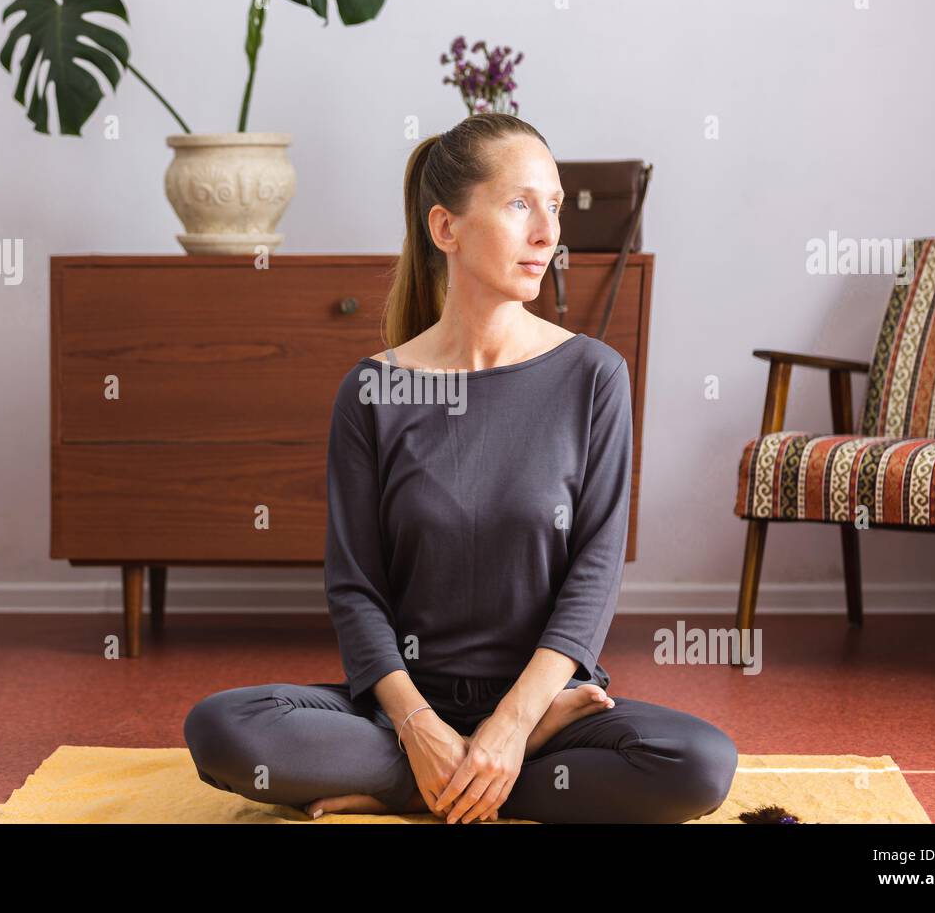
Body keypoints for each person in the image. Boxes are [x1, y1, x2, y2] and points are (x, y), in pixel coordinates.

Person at [184, 112, 738, 823]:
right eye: (519, 205)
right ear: (446, 229)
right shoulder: (373, 389)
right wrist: (416, 725)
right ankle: (461, 772)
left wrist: (514, 722)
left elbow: (594, 577)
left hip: (547, 703)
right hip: (405, 708)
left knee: (697, 764)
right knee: (224, 729)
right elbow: (355, 588)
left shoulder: (594, 376)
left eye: (555, 207)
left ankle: (422, 784)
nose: (547, 232)